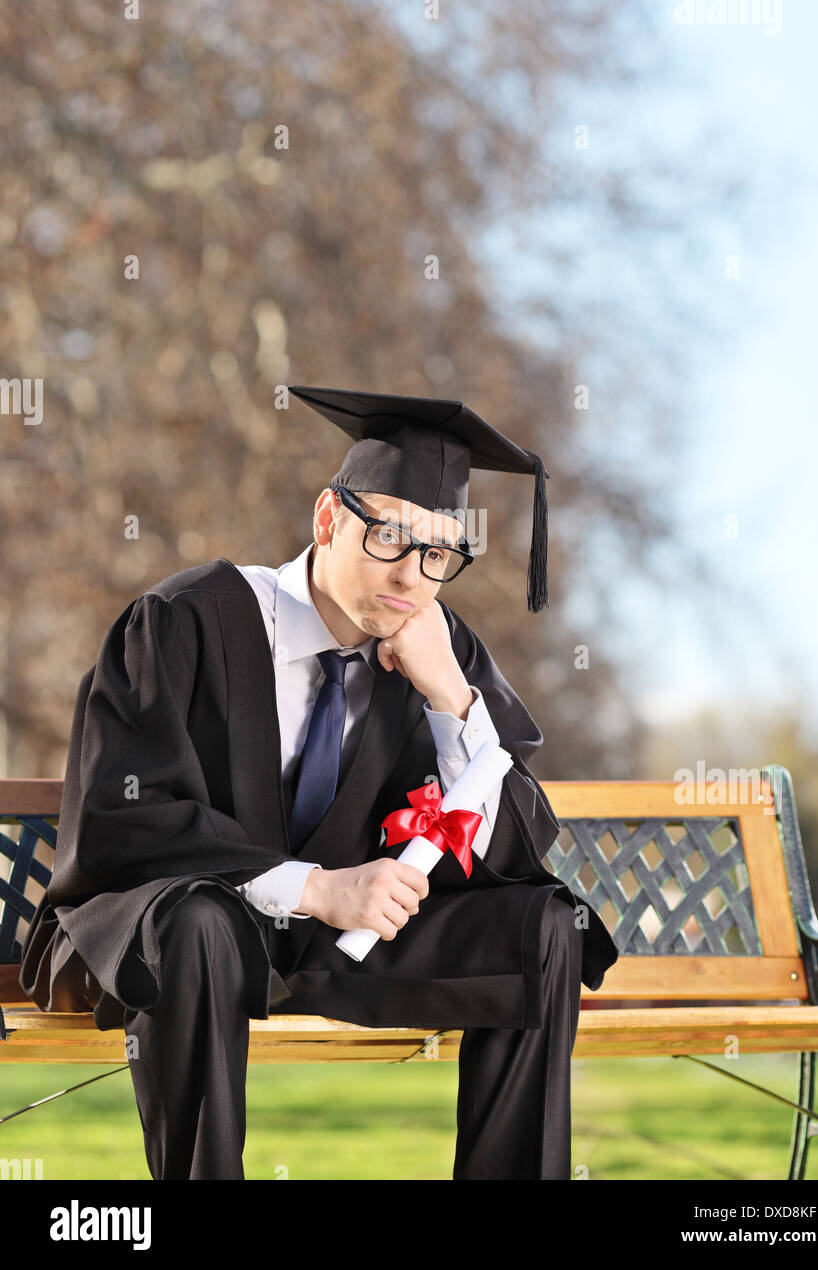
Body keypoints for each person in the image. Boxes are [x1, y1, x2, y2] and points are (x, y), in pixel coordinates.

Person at [18, 385, 620, 1180]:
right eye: (390, 538)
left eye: (439, 554)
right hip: (160, 937)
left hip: (330, 952)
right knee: (201, 924)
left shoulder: (440, 651)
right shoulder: (188, 619)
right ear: (328, 520)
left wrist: (455, 702)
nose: (412, 576)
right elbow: (119, 820)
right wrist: (315, 887)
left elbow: (515, 850)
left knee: (545, 924)